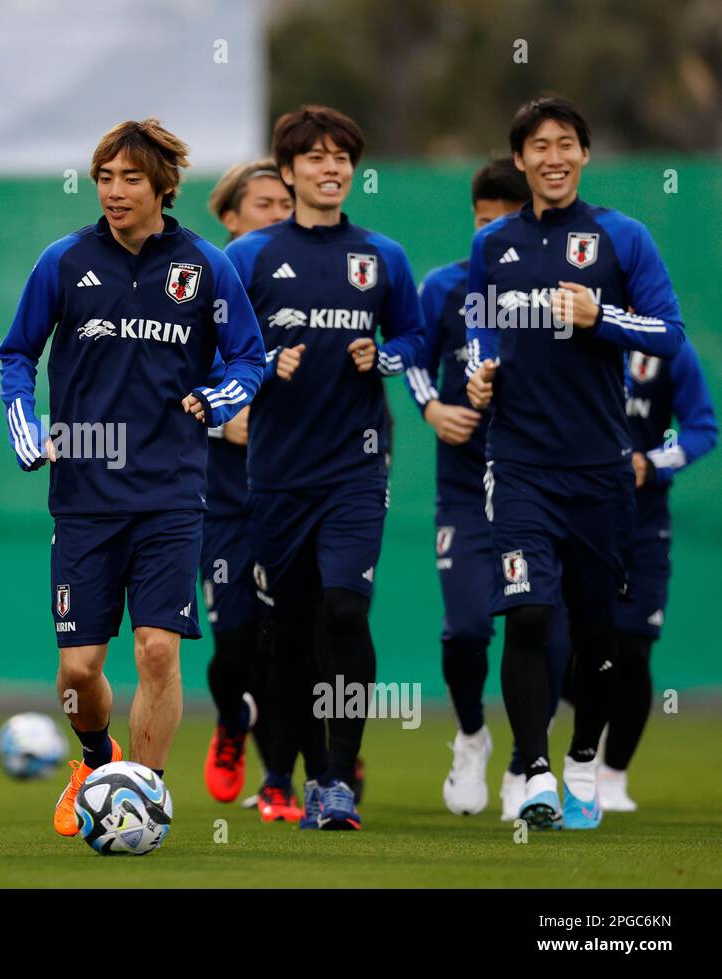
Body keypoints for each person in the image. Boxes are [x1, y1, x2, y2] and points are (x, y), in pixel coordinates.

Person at [0, 119, 265, 837]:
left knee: (156, 649)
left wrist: (217, 398)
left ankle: (141, 794)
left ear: (163, 188)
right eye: (105, 178)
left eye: (131, 180)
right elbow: (16, 354)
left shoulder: (207, 267)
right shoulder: (62, 261)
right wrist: (25, 426)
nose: (115, 192)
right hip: (84, 495)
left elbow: (249, 360)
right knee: (80, 669)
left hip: (172, 491)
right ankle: (95, 757)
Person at [465, 96, 684, 830]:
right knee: (526, 615)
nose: (552, 156)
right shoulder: (493, 243)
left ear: (584, 154)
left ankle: (584, 757)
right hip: (518, 461)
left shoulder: (623, 237)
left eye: (566, 143)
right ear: (520, 159)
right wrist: (480, 371)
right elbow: (481, 326)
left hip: (600, 469)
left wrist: (602, 318)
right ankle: (533, 769)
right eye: (537, 145)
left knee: (598, 634)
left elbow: (669, 335)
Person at [226, 106, 425, 830]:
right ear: (288, 171)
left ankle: (339, 779)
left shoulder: (384, 255)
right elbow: (215, 352)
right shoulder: (247, 259)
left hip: (357, 468)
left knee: (345, 610)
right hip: (277, 473)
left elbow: (413, 338)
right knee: (293, 632)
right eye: (314, 157)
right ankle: (298, 773)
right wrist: (258, 372)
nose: (331, 166)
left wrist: (389, 357)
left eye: (342, 155)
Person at [404, 158, 572, 819]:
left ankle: (526, 763)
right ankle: (472, 735)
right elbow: (410, 358)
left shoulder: (560, 292)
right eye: (482, 225)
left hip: (537, 483)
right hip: (467, 488)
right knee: (471, 625)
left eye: (505, 225)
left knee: (545, 624)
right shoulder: (446, 288)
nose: (493, 239)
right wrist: (431, 409)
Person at [199, 160, 302, 821]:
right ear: (232, 219)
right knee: (235, 647)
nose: (278, 214)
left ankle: (281, 779)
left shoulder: (312, 286)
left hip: (294, 491)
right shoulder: (202, 286)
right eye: (263, 203)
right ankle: (232, 720)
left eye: (285, 203)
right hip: (224, 498)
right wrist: (221, 408)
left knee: (288, 641)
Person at [599, 339, 716, 809]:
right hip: (574, 514)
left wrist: (653, 462)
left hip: (643, 526)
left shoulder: (669, 351)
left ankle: (612, 775)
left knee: (633, 650)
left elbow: (701, 428)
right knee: (562, 644)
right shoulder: (572, 337)